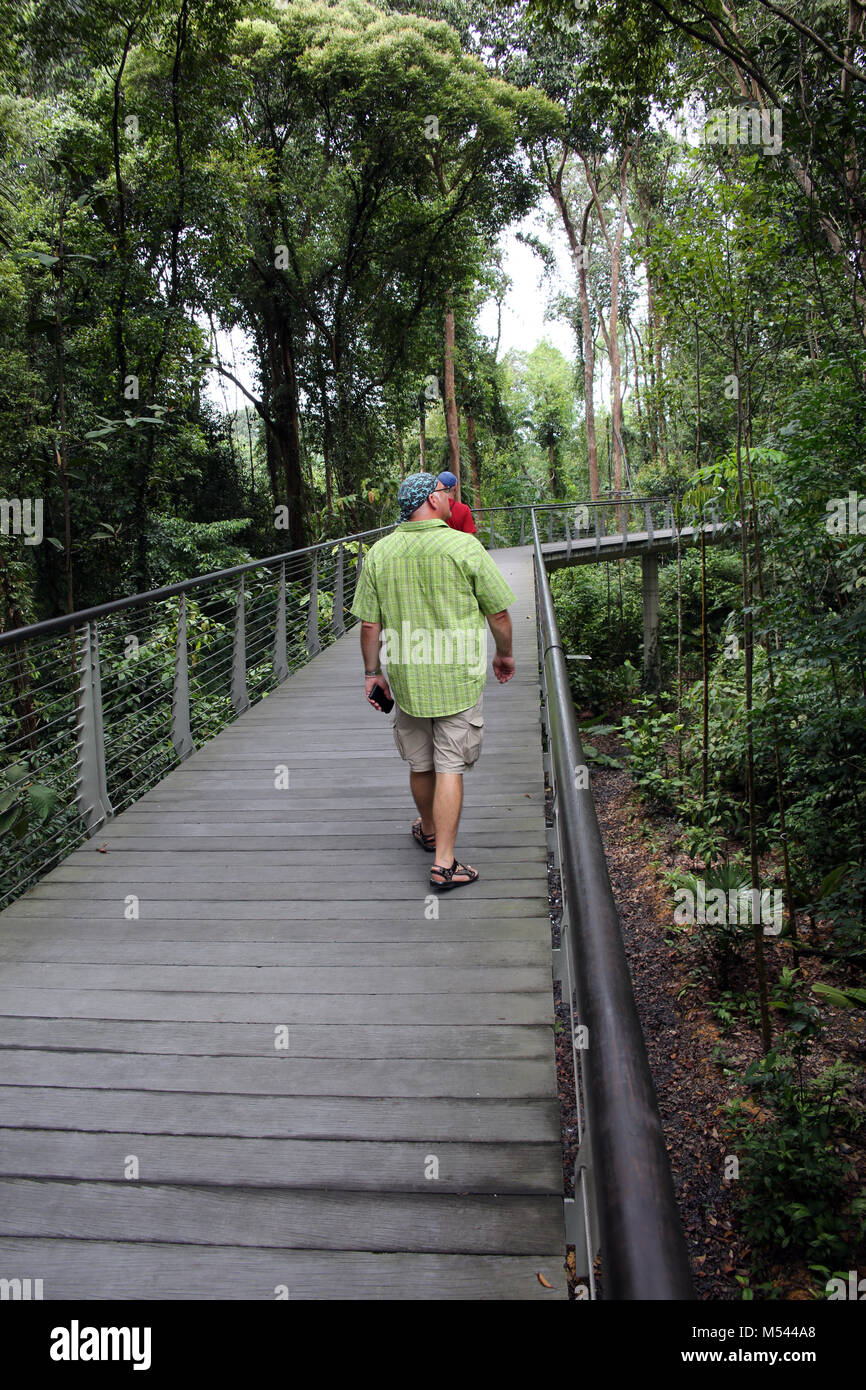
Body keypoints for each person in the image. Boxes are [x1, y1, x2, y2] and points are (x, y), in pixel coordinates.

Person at [350, 472, 516, 891]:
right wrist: (504, 653)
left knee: (421, 762)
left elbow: (370, 624)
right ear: (432, 500)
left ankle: (427, 829)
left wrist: (374, 675)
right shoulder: (465, 547)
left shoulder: (379, 554)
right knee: (450, 766)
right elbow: (497, 612)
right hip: (456, 678)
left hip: (407, 679)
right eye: (443, 492)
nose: (448, 496)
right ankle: (444, 863)